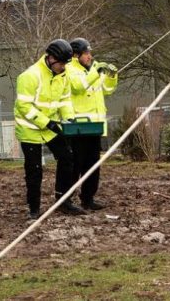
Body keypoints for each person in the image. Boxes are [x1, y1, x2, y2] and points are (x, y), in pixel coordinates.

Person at [14, 39, 85, 219]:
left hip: (50, 128)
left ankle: (63, 201)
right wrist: (47, 122)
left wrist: (68, 119)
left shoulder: (63, 74)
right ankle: (34, 209)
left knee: (67, 158)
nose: (63, 67)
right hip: (30, 128)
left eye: (65, 64)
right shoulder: (29, 76)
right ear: (51, 58)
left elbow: (64, 100)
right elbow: (24, 107)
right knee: (34, 169)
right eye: (61, 63)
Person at [65, 37, 118, 211]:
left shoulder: (94, 69)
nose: (90, 56)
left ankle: (88, 198)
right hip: (78, 127)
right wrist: (96, 72)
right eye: (86, 53)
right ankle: (67, 199)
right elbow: (78, 87)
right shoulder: (70, 69)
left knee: (93, 165)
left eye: (90, 53)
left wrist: (111, 75)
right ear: (76, 55)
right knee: (76, 165)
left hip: (95, 126)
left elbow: (108, 89)